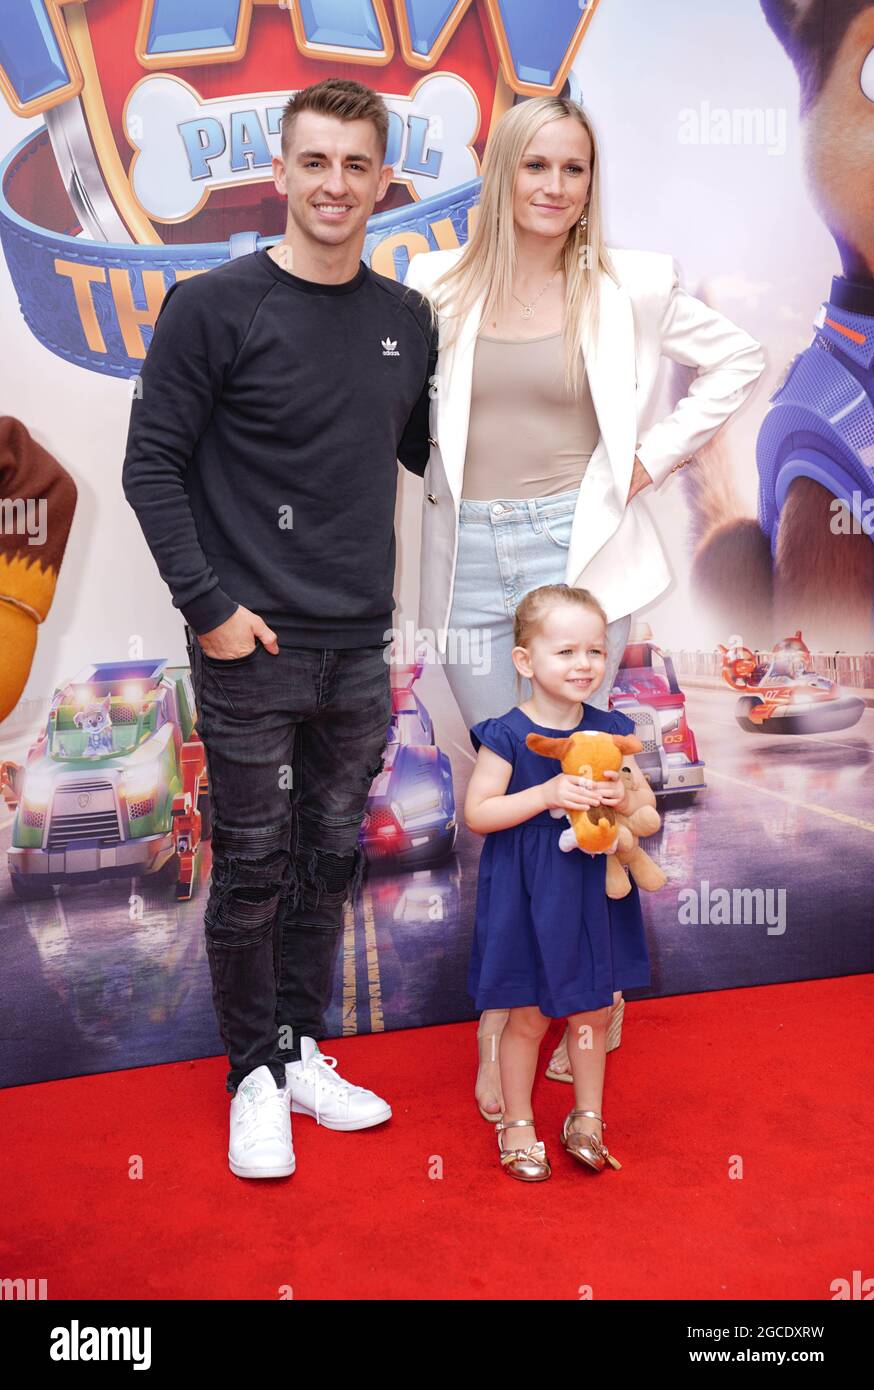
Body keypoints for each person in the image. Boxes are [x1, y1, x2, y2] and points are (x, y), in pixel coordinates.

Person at [403, 95, 765, 1118]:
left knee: (586, 797)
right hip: (469, 567)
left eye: (575, 170)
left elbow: (735, 360)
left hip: (578, 572)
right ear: (503, 175)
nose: (556, 188)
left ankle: (586, 1014)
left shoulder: (629, 285)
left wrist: (647, 460)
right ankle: (507, 1018)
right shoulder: (433, 287)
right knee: (505, 810)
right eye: (537, 168)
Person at [122, 79, 437, 1178]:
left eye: (357, 165)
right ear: (280, 172)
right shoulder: (213, 306)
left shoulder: (407, 321)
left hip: (360, 648)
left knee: (330, 859)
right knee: (252, 869)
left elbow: (436, 463)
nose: (335, 185)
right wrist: (209, 611)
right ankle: (250, 1074)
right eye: (315, 162)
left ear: (382, 181)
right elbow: (150, 465)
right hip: (250, 647)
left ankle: (300, 1047)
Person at [464, 583, 652, 1180]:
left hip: (590, 893)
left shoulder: (611, 729)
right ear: (525, 661)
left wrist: (621, 794)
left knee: (591, 1013)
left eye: (594, 651)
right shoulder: (506, 733)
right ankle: (517, 1121)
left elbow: (640, 806)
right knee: (527, 1016)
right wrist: (544, 792)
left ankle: (587, 1117)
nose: (584, 664)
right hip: (527, 893)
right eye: (566, 651)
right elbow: (479, 813)